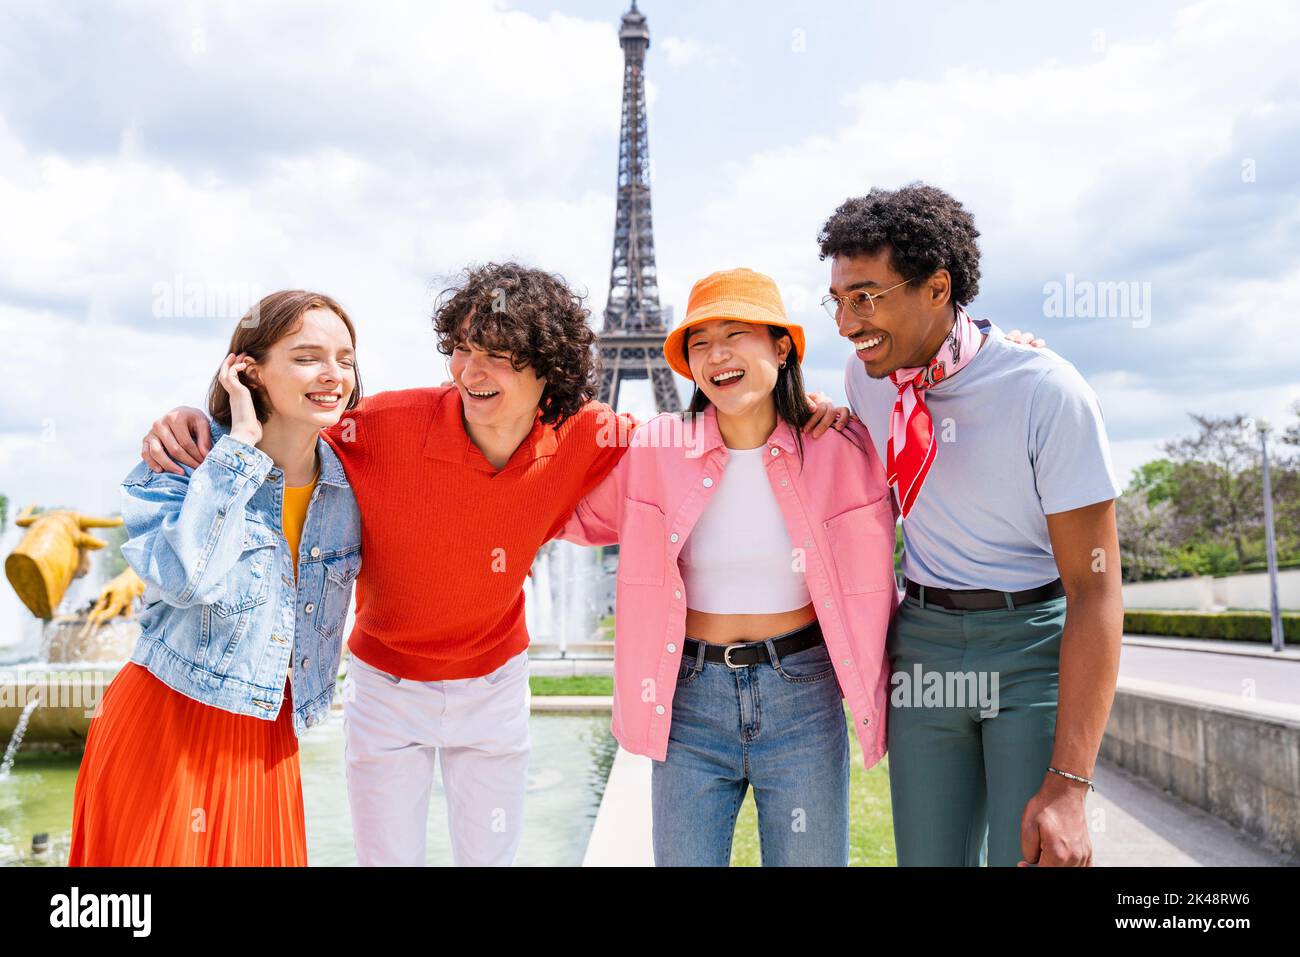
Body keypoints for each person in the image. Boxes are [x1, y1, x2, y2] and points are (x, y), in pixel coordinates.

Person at [138, 262, 851, 866]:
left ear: (550, 370)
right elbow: (291, 419)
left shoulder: (594, 433)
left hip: (494, 687)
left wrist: (798, 406)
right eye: (464, 349)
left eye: (501, 356)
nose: (473, 372)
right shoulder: (381, 425)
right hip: (386, 689)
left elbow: (712, 429)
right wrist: (188, 414)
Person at [820, 183, 1124, 867]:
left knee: (1034, 853)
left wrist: (1072, 785)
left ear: (937, 288)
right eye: (836, 299)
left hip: (1031, 652)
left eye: (865, 296)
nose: (845, 321)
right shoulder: (866, 377)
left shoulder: (1047, 392)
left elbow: (1096, 589)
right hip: (924, 646)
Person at [559, 268, 895, 866]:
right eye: (700, 342)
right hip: (689, 702)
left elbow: (942, 460)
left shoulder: (842, 447)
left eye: (736, 334)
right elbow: (572, 516)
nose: (717, 355)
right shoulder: (654, 449)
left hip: (802, 696)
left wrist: (997, 352)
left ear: (781, 345)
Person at [69, 290, 363, 865]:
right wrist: (241, 449)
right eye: (307, 357)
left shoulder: (356, 484)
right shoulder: (189, 462)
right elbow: (184, 580)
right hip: (166, 726)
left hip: (266, 737)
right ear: (246, 371)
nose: (333, 375)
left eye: (345, 359)